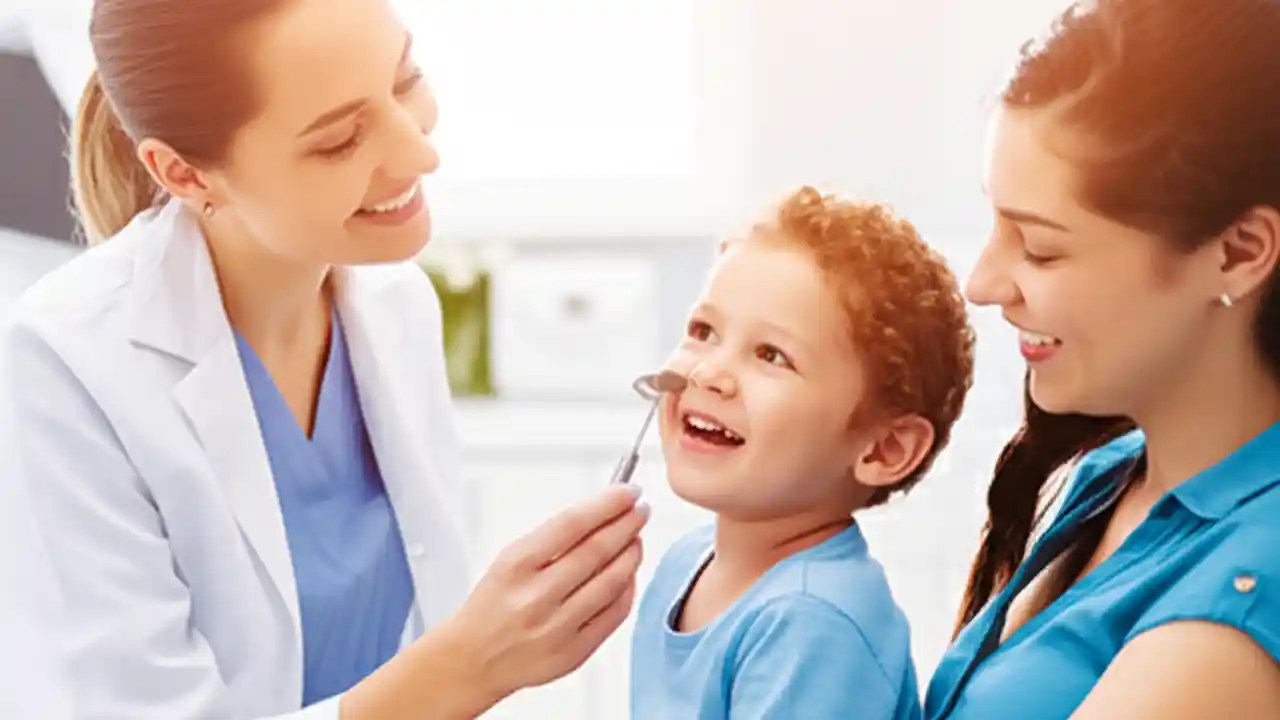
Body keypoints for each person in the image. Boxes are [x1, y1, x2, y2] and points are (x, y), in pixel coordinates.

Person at [0, 0, 649, 718]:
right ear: (184, 174)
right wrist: (474, 661)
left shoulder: (395, 304)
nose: (419, 154)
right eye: (340, 140)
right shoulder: (65, 362)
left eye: (406, 79)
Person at [924, 0, 1280, 717]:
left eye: (1041, 247)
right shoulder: (1107, 477)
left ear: (1238, 254)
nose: (983, 283)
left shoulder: (1239, 598)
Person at [629, 187, 976, 718]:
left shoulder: (813, 622)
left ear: (884, 448)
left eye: (771, 355)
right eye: (704, 330)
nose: (707, 373)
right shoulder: (686, 564)